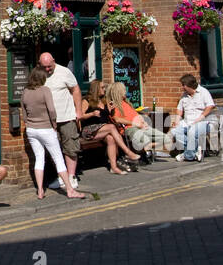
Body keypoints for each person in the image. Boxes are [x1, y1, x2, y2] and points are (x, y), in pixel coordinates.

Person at [22, 67, 87, 199]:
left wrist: (28, 123)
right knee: (59, 160)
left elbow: (23, 112)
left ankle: (40, 190)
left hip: (31, 130)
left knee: (39, 159)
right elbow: (51, 110)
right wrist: (54, 123)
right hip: (46, 128)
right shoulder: (45, 90)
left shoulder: (26, 91)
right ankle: (70, 190)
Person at [37, 52, 82, 190]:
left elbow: (76, 90)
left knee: (70, 148)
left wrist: (78, 111)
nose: (47, 69)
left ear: (54, 61)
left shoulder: (64, 71)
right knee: (54, 150)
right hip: (48, 120)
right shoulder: (39, 74)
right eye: (44, 67)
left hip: (66, 117)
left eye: (49, 66)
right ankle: (61, 178)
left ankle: (72, 177)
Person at [80, 80, 142, 174]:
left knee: (110, 138)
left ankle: (113, 167)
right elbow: (80, 116)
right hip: (89, 130)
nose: (104, 90)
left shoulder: (104, 101)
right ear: (96, 89)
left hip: (103, 129)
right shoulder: (86, 100)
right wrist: (92, 114)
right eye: (102, 88)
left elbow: (108, 116)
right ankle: (128, 152)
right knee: (111, 127)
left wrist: (110, 109)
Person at [105, 81, 167, 161]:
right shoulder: (115, 105)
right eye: (124, 90)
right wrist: (135, 124)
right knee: (145, 141)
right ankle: (141, 152)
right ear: (118, 92)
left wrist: (143, 122)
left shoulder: (126, 103)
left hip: (141, 127)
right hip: (130, 129)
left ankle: (142, 150)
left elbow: (136, 116)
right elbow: (117, 119)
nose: (125, 91)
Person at [169, 74, 216, 162]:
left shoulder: (203, 92)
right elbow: (179, 109)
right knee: (174, 131)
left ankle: (188, 155)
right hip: (187, 122)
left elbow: (210, 106)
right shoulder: (184, 95)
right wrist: (177, 121)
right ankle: (195, 152)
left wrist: (200, 118)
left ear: (189, 86)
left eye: (183, 85)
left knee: (192, 131)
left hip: (204, 122)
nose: (182, 87)